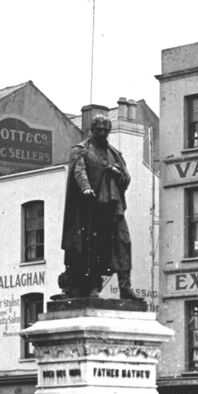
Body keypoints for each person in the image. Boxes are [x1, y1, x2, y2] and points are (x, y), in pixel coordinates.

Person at [58, 114, 136, 301]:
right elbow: (79, 171)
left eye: (105, 131)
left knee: (123, 244)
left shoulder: (115, 153)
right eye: (98, 130)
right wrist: (85, 188)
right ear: (91, 130)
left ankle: (125, 287)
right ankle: (92, 286)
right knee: (93, 248)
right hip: (91, 208)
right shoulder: (81, 150)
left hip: (113, 207)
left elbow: (126, 178)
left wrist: (117, 172)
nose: (102, 134)